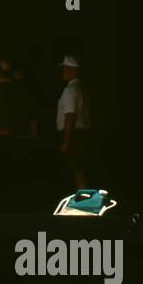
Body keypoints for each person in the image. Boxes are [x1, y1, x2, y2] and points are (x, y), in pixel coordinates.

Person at [56, 56, 91, 188]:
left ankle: (83, 199)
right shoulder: (82, 88)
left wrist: (66, 140)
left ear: (71, 70)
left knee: (76, 168)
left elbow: (70, 115)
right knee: (80, 167)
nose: (63, 72)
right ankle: (84, 197)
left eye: (65, 68)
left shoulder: (70, 90)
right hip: (82, 133)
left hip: (74, 134)